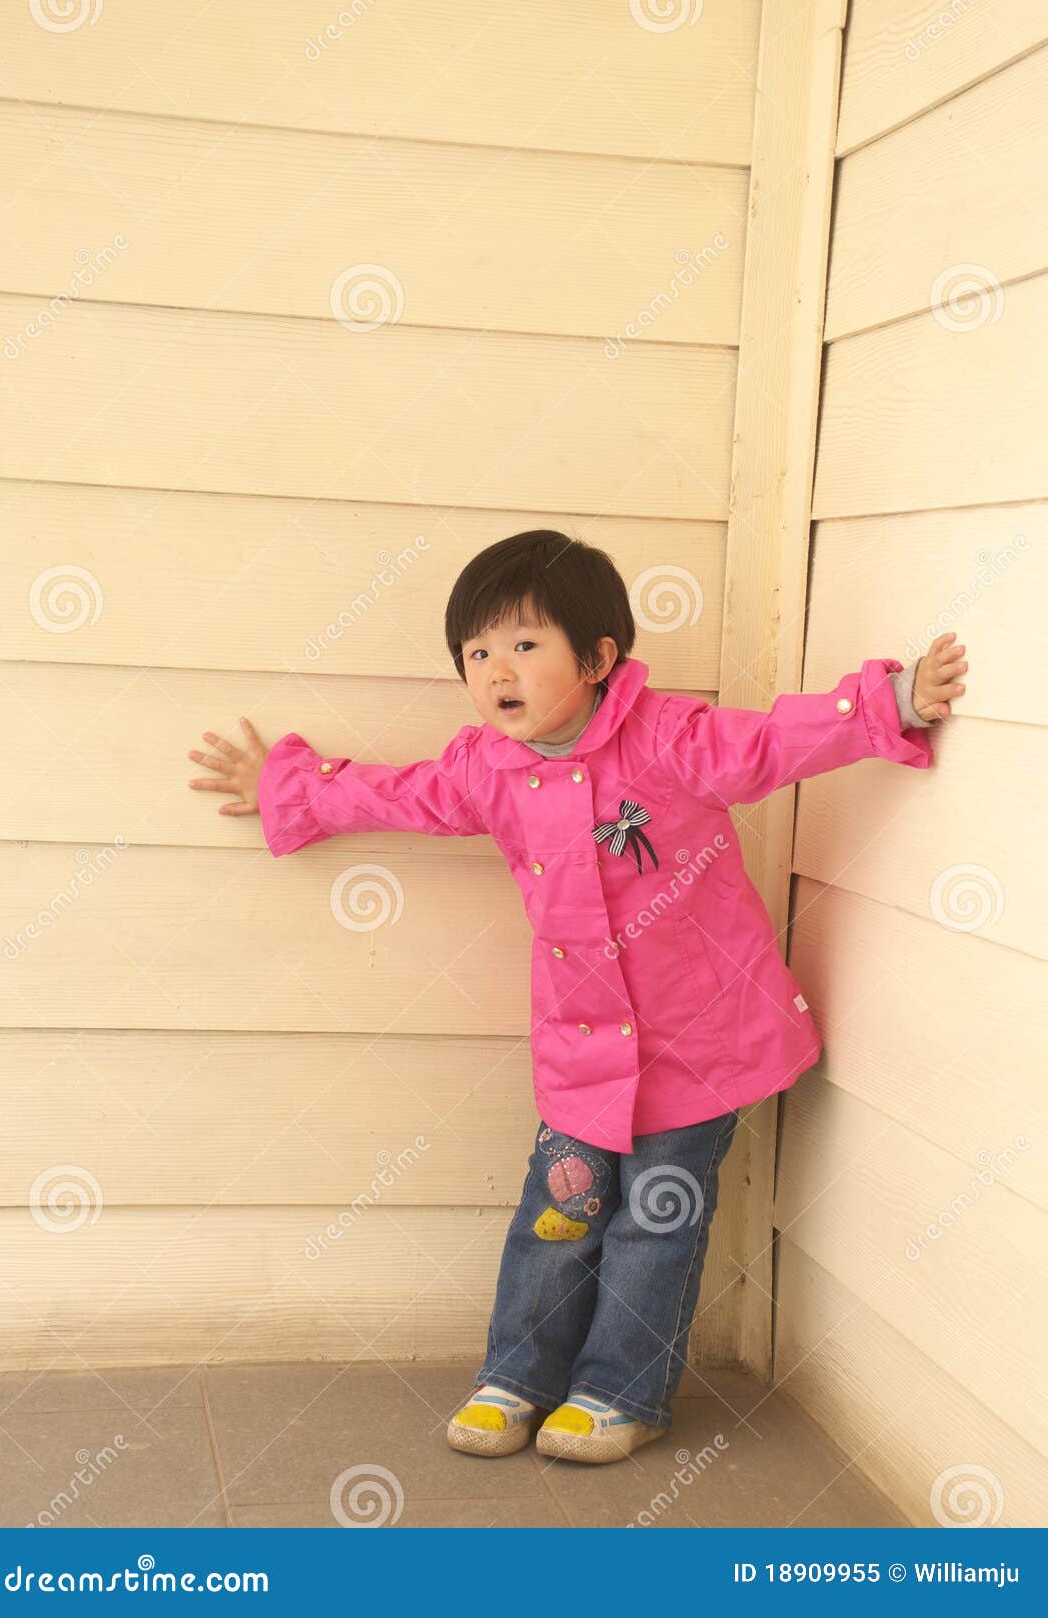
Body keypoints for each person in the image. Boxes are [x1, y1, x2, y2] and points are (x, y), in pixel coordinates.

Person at [188, 530, 967, 1465]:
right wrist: (287, 785)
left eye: (523, 645)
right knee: (557, 1217)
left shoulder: (669, 739)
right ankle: (517, 1375)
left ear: (598, 659)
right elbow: (401, 795)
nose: (495, 670)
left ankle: (619, 1393)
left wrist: (887, 701)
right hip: (582, 1050)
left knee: (655, 1223)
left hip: (700, 1046)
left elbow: (769, 742)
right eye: (476, 652)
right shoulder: (486, 769)